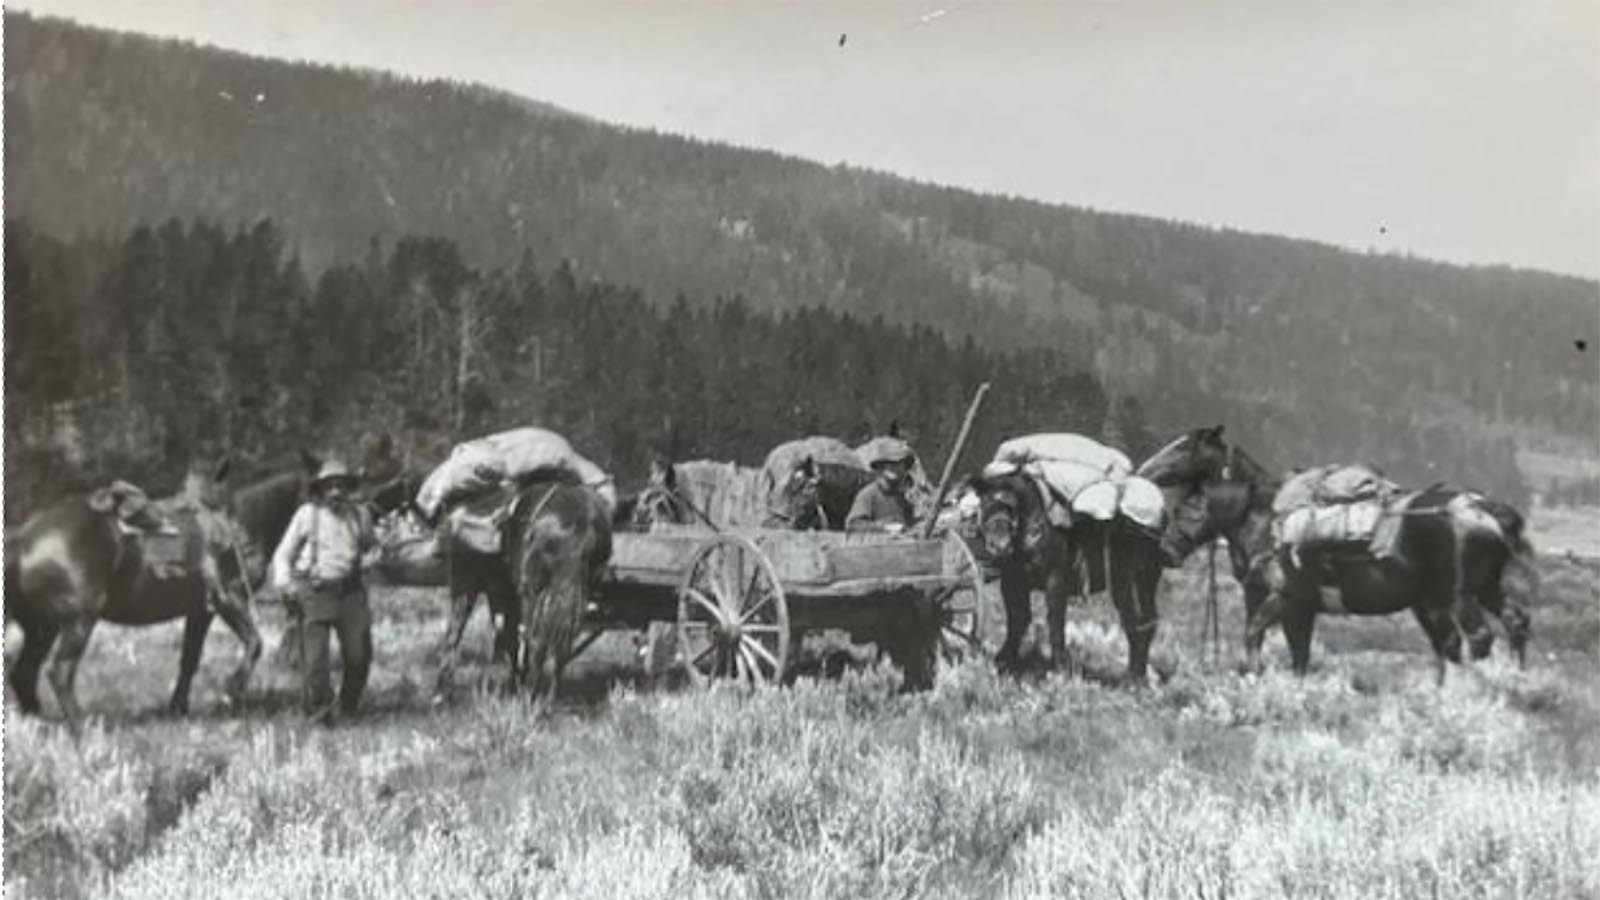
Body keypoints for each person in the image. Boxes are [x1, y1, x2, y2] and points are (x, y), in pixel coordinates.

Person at [269, 458, 379, 724]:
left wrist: (370, 559)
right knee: (315, 662)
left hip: (351, 593)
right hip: (316, 592)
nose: (336, 493)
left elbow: (374, 547)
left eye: (341, 486)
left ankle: (348, 706)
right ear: (320, 490)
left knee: (359, 655)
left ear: (348, 489)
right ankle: (321, 714)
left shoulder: (359, 515)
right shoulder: (307, 516)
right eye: (330, 487)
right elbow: (283, 554)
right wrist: (286, 584)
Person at [846, 438, 919, 534]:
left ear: (904, 467)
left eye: (898, 464)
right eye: (890, 464)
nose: (894, 468)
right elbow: (853, 525)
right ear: (881, 467)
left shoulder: (903, 496)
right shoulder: (869, 495)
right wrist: (884, 528)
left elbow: (908, 525)